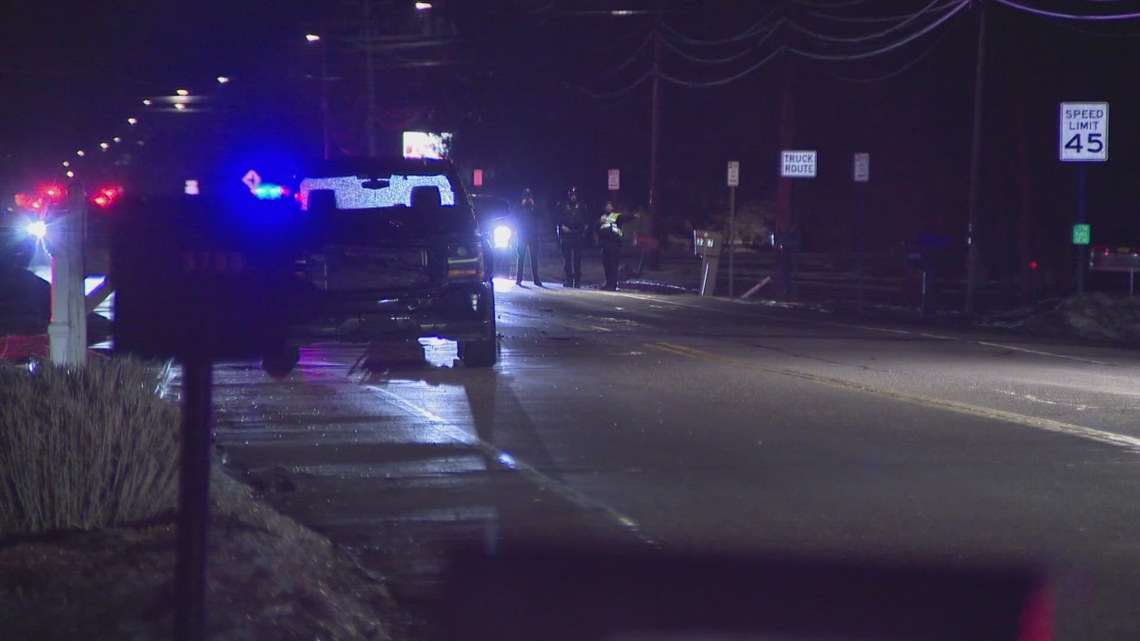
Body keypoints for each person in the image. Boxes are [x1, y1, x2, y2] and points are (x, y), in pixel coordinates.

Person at [554, 186, 592, 288]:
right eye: (572, 195)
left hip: (578, 234)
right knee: (567, 259)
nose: (573, 197)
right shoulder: (562, 205)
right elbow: (557, 218)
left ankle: (578, 280)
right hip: (566, 235)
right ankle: (569, 279)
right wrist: (562, 227)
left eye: (575, 195)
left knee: (577, 258)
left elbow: (587, 219)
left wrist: (584, 229)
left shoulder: (582, 205)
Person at [596, 201, 637, 291]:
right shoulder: (602, 217)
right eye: (607, 205)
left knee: (613, 265)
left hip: (614, 244)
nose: (609, 207)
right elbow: (596, 228)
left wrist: (633, 216)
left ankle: (613, 284)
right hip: (605, 244)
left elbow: (625, 218)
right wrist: (599, 222)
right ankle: (608, 283)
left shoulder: (616, 216)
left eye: (610, 205)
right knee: (606, 265)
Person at [514, 188, 543, 286]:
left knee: (534, 258)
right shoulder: (519, 208)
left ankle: (536, 278)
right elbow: (515, 217)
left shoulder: (534, 207)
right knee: (521, 257)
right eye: (526, 197)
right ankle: (519, 278)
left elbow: (540, 214)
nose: (527, 199)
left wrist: (533, 205)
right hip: (522, 235)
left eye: (528, 197)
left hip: (533, 235)